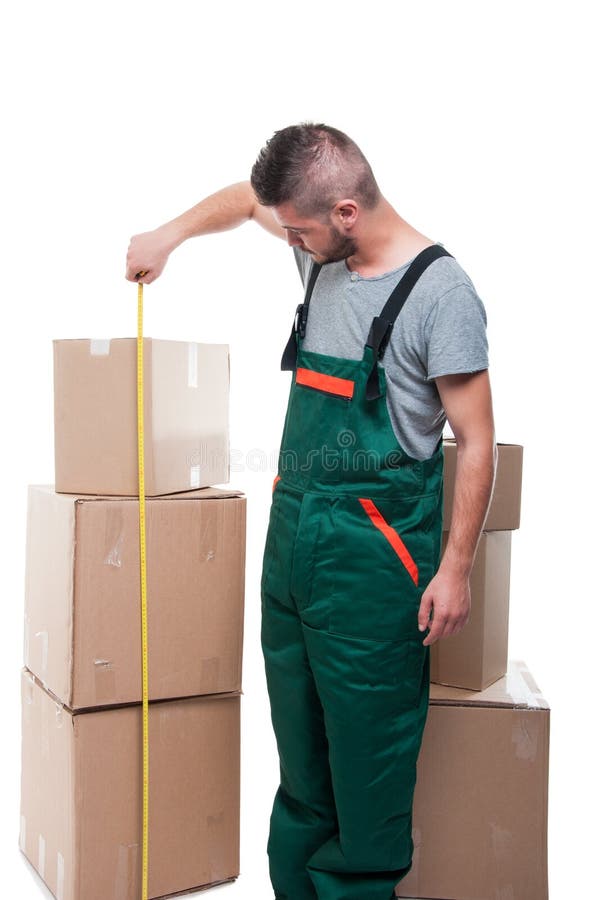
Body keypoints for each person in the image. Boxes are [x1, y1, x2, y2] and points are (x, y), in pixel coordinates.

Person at [126, 122, 497, 900]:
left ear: (347, 212)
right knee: (301, 758)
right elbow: (246, 198)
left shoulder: (441, 293)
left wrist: (456, 569)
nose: (290, 240)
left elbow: (477, 437)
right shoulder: (324, 250)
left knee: (366, 768)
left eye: (300, 229)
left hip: (374, 568)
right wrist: (170, 236)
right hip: (294, 551)